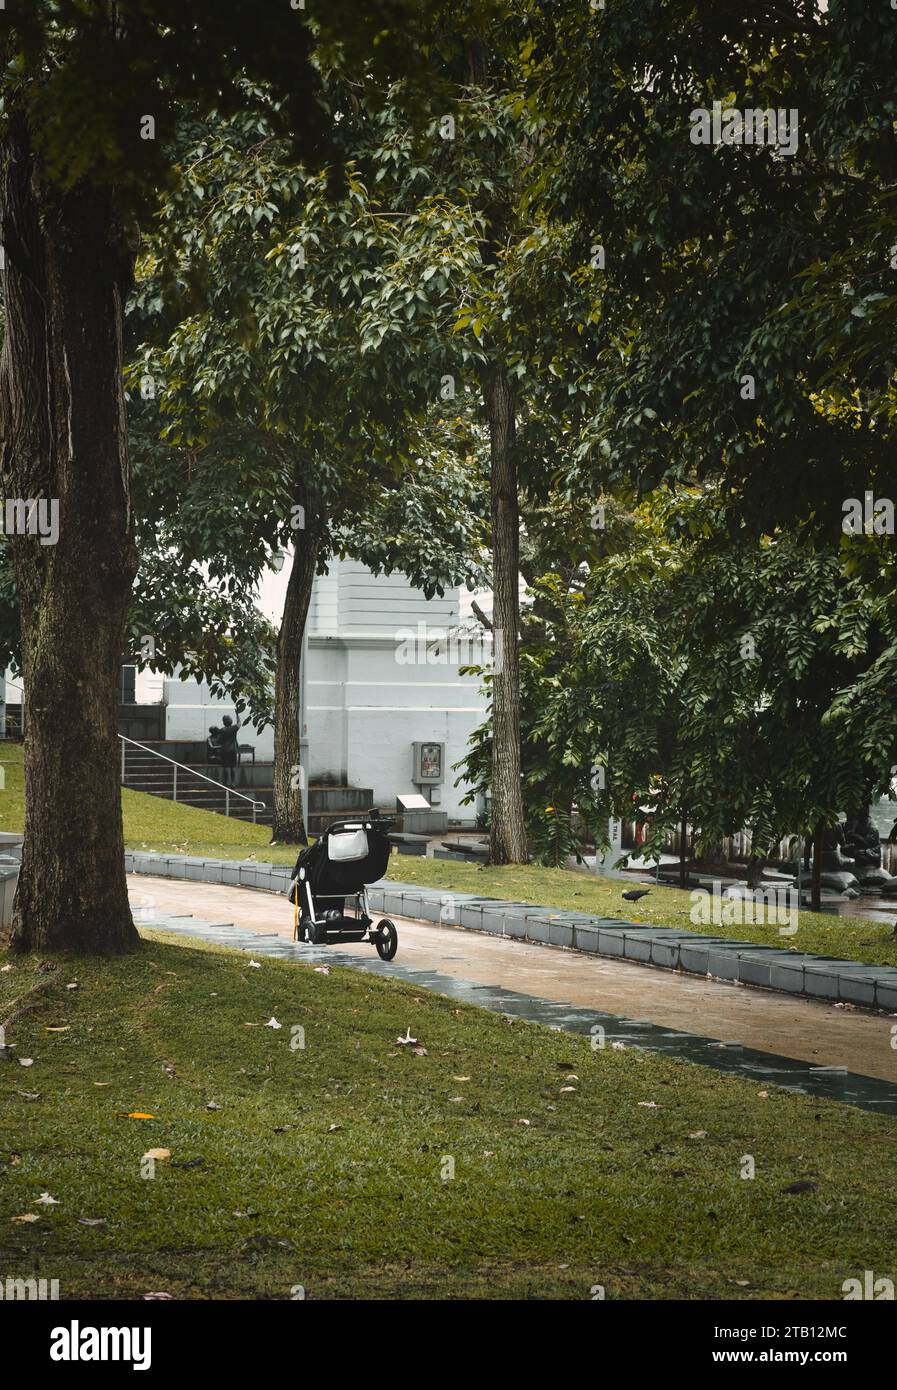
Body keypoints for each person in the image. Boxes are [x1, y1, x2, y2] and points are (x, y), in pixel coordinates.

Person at [218, 713, 241, 786]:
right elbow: (239, 723)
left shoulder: (222, 730)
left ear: (224, 722)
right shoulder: (234, 728)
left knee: (225, 767)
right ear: (230, 721)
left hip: (224, 750)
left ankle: (226, 783)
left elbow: (219, 741)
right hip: (233, 750)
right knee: (233, 767)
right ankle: (233, 783)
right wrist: (237, 714)